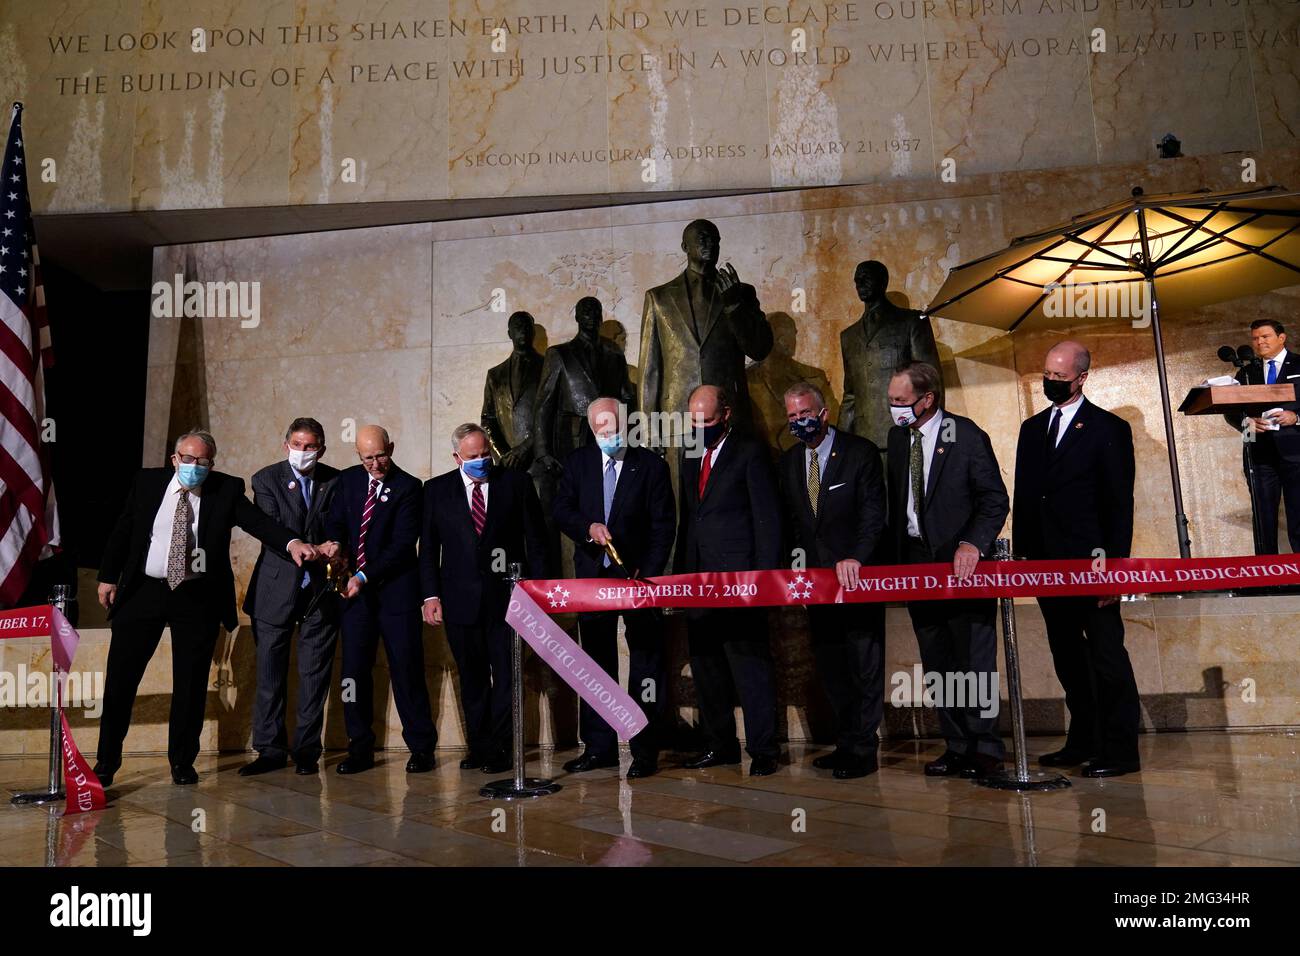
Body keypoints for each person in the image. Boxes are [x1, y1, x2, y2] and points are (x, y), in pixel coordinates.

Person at [93, 430, 316, 787]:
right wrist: (108, 577)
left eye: (203, 461)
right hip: (145, 591)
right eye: (188, 458)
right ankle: (105, 764)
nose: (194, 466)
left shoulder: (225, 489)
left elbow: (258, 522)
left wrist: (291, 543)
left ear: (212, 463)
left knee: (191, 684)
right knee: (121, 680)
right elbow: (125, 528)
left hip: (196, 597)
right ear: (174, 458)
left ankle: (182, 762)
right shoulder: (147, 482)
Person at [1014, 341, 1141, 777]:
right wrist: (1023, 555)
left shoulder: (1109, 429)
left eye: (1059, 377)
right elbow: (1027, 495)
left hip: (1094, 566)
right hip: (1046, 566)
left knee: (1107, 657)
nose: (1050, 383)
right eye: (1046, 374)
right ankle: (1082, 739)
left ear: (1082, 377)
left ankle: (1120, 750)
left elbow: (1118, 505)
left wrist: (1115, 571)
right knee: (1066, 655)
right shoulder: (1032, 430)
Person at [885, 362, 1009, 779]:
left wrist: (973, 543)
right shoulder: (898, 439)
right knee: (937, 661)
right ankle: (956, 745)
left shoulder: (966, 434)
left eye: (901, 401)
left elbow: (994, 499)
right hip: (918, 565)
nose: (895, 409)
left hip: (963, 566)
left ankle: (986, 747)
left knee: (973, 660)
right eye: (891, 402)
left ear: (928, 399)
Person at [552, 398, 676, 778]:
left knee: (646, 664)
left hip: (637, 580)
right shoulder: (577, 464)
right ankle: (599, 746)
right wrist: (587, 528)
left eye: (615, 430)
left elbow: (663, 526)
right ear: (592, 430)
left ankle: (644, 749)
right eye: (602, 432)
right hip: (593, 579)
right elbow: (561, 509)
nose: (610, 437)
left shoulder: (651, 466)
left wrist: (647, 574)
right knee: (596, 664)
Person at [420, 423, 548, 775]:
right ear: (456, 457)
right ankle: (479, 746)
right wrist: (430, 595)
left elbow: (536, 541)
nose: (481, 461)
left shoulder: (516, 483)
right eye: (473, 457)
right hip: (459, 602)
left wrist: (536, 592)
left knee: (507, 677)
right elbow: (429, 549)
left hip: (508, 600)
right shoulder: (436, 491)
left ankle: (503, 749)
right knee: (472, 677)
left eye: (485, 454)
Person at [778, 382, 887, 779]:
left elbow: (874, 514)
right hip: (817, 587)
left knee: (864, 664)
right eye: (791, 416)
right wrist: (795, 566)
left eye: (804, 413)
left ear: (823, 413)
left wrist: (857, 556)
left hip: (858, 579)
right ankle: (846, 742)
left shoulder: (860, 453)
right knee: (832, 666)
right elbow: (794, 523)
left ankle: (863, 748)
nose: (798, 421)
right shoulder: (790, 462)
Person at [675, 385, 783, 776]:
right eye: (693, 420)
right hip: (699, 580)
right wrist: (680, 579)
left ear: (726, 415)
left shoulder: (750, 451)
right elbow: (689, 519)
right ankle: (719, 745)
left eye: (706, 420)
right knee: (707, 667)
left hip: (741, 582)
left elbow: (767, 519)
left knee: (750, 665)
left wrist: (764, 579)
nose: (699, 427)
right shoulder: (689, 454)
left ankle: (764, 749)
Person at [322, 425, 436, 774]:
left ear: (391, 447)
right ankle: (359, 748)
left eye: (381, 455)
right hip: (355, 600)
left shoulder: (409, 487)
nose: (375, 463)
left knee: (407, 671)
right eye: (367, 457)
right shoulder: (347, 482)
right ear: (358, 456)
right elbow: (337, 523)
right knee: (353, 675)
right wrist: (335, 545)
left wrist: (363, 576)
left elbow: (402, 546)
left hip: (395, 594)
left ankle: (421, 748)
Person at [240, 417, 341, 777]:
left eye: (311, 446)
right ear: (286, 446)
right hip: (275, 589)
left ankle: (307, 751)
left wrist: (336, 543)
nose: (303, 452)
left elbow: (340, 523)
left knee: (314, 675)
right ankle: (269, 749)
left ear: (322, 449)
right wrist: (305, 544)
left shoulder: (336, 480)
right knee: (270, 673)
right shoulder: (265, 479)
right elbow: (271, 527)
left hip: (319, 592)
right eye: (297, 445)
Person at [638, 219, 773, 438]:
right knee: (685, 474)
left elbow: (759, 349)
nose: (710, 244)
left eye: (716, 240)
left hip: (728, 416)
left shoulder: (741, 293)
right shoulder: (659, 298)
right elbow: (650, 370)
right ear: (685, 246)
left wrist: (734, 306)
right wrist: (647, 432)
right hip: (678, 420)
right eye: (703, 238)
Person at [840, 260, 942, 453]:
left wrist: (930, 432)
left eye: (866, 278)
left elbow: (931, 381)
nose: (860, 283)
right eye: (857, 280)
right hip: (863, 441)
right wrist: (841, 440)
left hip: (903, 434)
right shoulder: (848, 336)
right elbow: (851, 394)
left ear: (883, 281)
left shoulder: (911, 321)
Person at [1225, 319, 1300, 554]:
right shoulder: (1247, 371)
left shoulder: (1299, 364)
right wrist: (1246, 424)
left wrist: (1296, 417)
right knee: (1263, 518)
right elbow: (1231, 411)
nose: (1260, 342)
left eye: (1265, 336)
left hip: (1296, 452)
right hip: (1259, 455)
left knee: (1299, 516)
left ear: (1281, 337)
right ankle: (1266, 576)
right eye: (1255, 338)